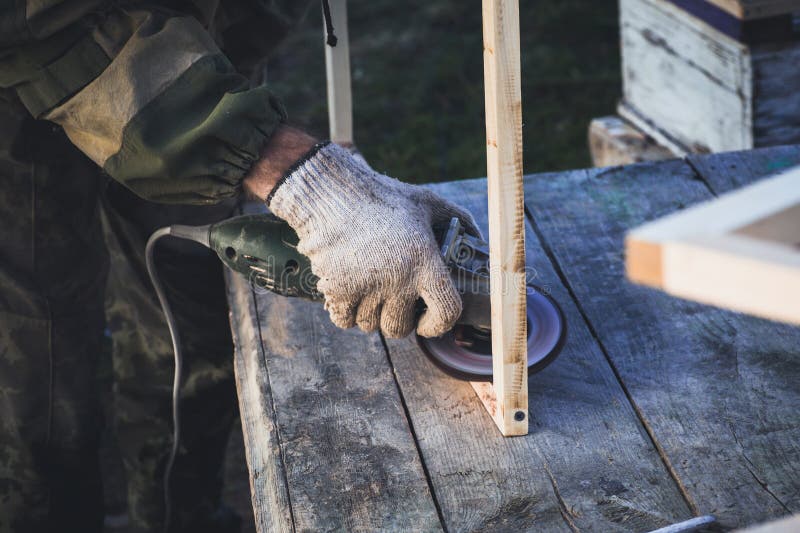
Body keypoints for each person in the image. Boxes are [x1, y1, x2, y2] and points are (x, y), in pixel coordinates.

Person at [0, 2, 478, 531]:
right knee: (36, 364)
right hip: (20, 73)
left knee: (187, 335)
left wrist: (222, 71)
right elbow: (43, 27)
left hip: (192, 45)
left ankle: (178, 517)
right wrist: (298, 173)